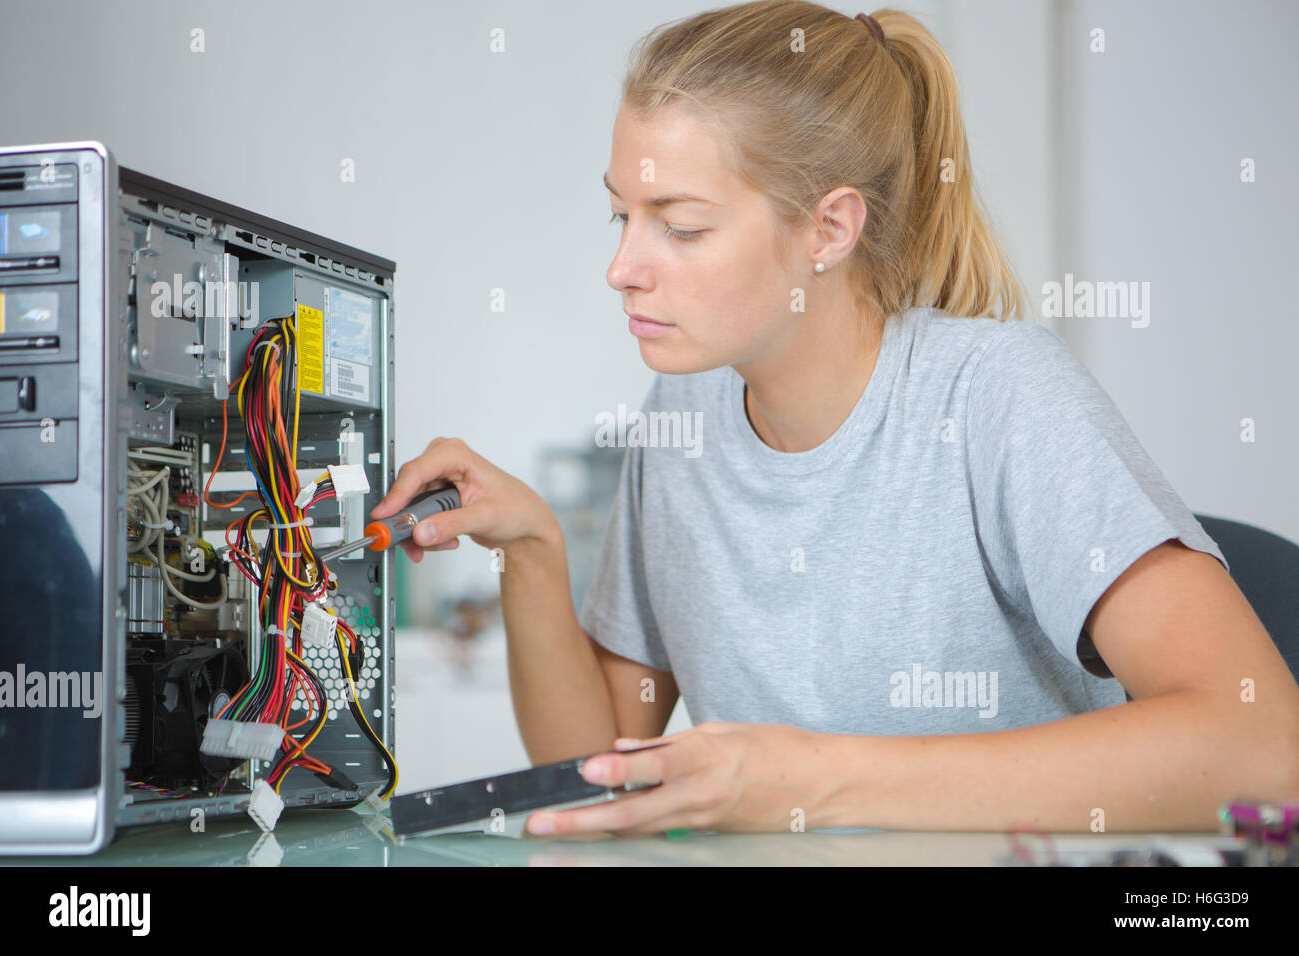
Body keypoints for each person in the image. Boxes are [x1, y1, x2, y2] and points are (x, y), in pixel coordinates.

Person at [370, 2, 1299, 835]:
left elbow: (1265, 749)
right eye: (620, 216)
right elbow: (598, 773)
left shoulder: (999, 395)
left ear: (829, 229)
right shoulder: (682, 415)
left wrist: (813, 780)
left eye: (679, 225)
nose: (624, 267)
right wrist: (533, 548)